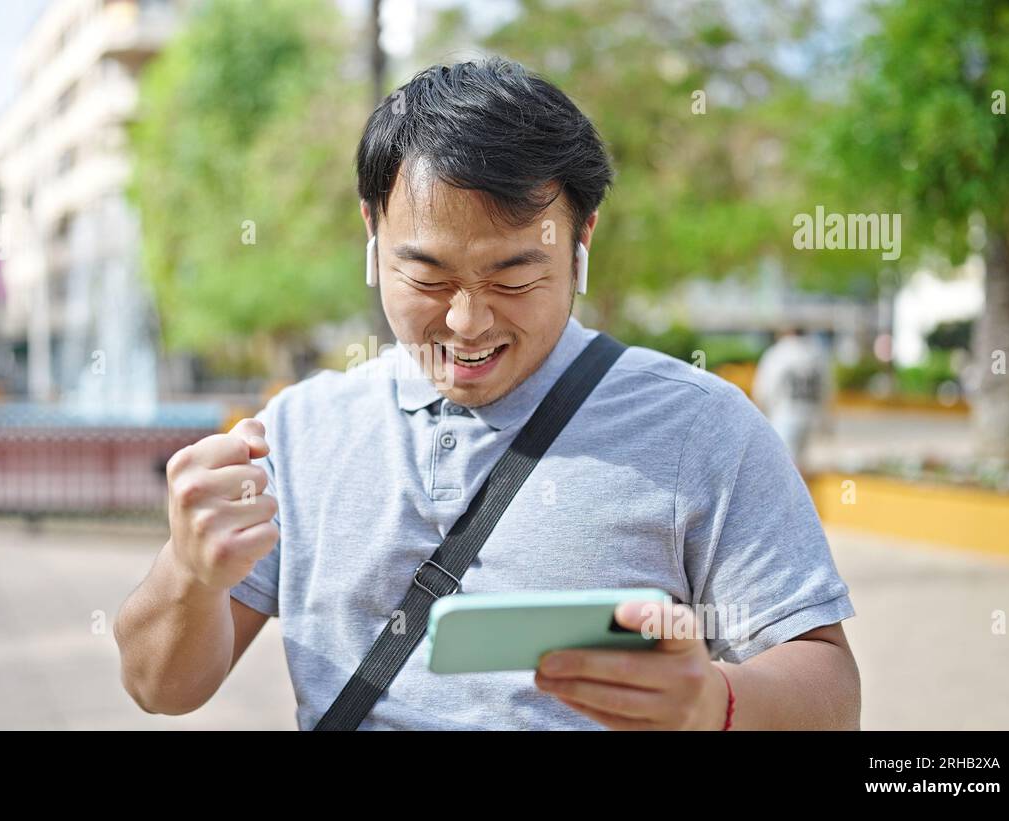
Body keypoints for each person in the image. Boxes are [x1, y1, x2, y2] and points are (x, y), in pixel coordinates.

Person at [115, 57, 859, 730]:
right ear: (372, 231)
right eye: (429, 277)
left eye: (513, 277)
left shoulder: (702, 428)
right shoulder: (298, 433)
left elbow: (831, 692)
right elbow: (160, 687)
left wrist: (715, 701)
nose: (467, 323)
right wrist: (189, 572)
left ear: (582, 240)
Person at [752, 326, 835, 473]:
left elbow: (764, 388)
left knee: (785, 464)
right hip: (810, 414)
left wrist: (762, 413)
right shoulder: (817, 353)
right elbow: (826, 388)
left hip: (785, 414)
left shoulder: (778, 353)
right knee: (802, 465)